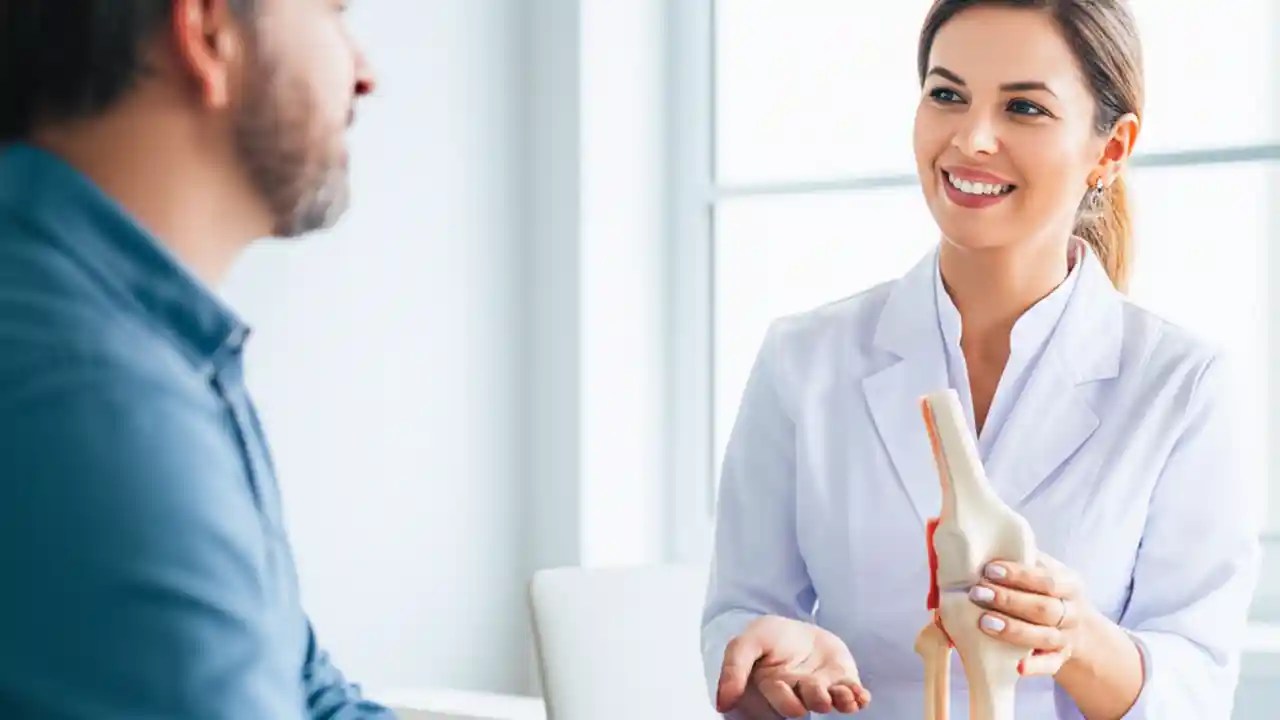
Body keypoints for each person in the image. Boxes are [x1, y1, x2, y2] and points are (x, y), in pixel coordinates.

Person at [702, 1, 1262, 718]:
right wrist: (766, 656)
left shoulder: (1183, 385)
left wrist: (1079, 639)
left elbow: (1198, 685)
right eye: (947, 95)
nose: (971, 138)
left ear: (1111, 148)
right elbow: (738, 615)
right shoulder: (801, 361)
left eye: (1024, 107)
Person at [0, 0, 392, 717]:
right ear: (209, 33)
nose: (365, 75)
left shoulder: (150, 347)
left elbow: (306, 692)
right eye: (334, 13)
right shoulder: (94, 401)